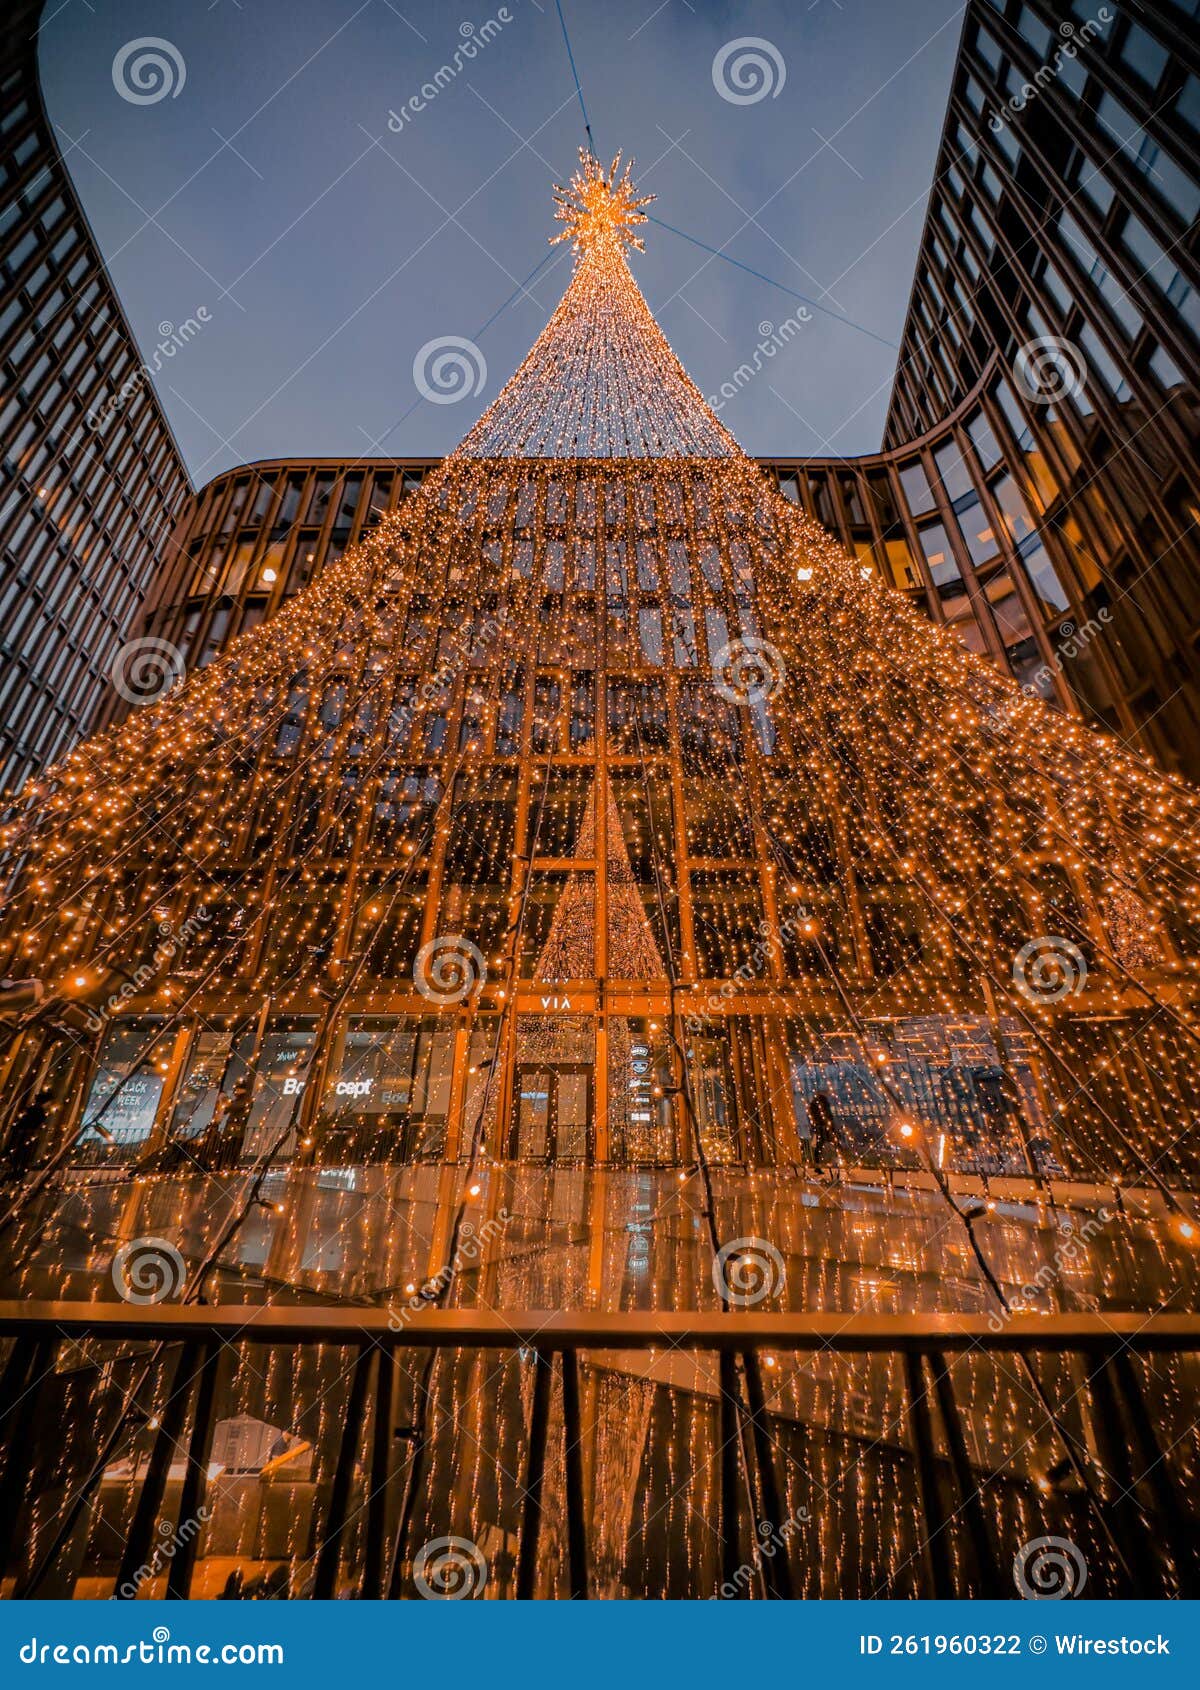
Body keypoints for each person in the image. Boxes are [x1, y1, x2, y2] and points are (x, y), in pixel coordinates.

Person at [1, 1087, 52, 1177]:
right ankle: (16, 1171)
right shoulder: (38, 1111)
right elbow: (34, 1123)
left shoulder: (31, 1109)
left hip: (22, 1135)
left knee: (19, 1154)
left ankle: (14, 1169)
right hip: (26, 1136)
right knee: (22, 1155)